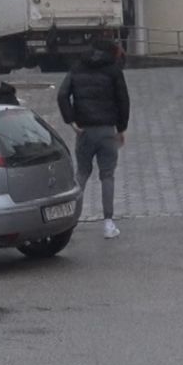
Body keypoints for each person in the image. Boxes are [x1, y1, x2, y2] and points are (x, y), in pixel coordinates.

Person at [56, 38, 130, 239]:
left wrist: (72, 121)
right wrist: (121, 128)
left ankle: (69, 221)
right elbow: (123, 99)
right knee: (107, 175)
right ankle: (108, 224)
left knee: (82, 173)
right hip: (107, 129)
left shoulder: (77, 67)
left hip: (84, 131)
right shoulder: (113, 70)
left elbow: (62, 95)